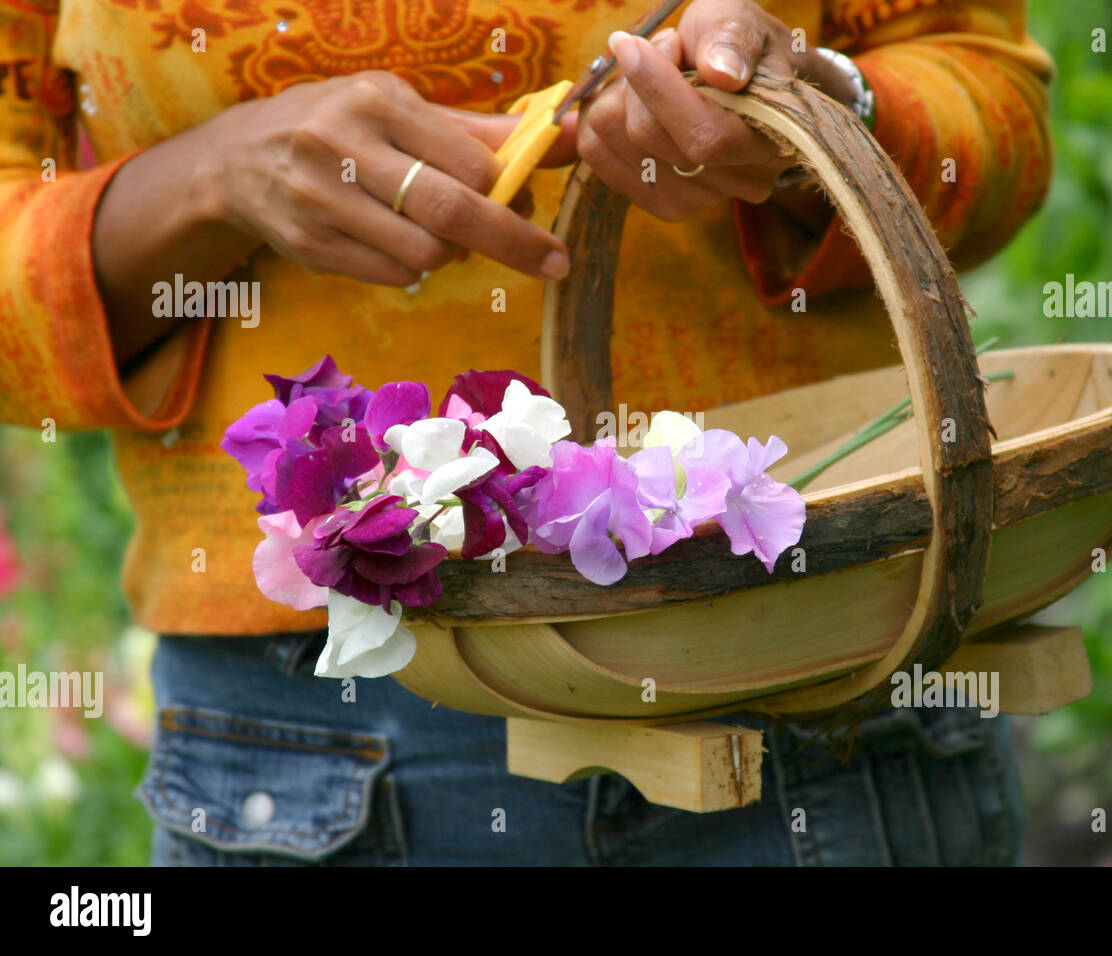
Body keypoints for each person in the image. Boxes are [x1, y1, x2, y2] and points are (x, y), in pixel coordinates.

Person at [0, 0, 1053, 865]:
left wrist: (812, 118)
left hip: (808, 661)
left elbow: (990, 113)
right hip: (318, 727)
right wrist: (207, 182)